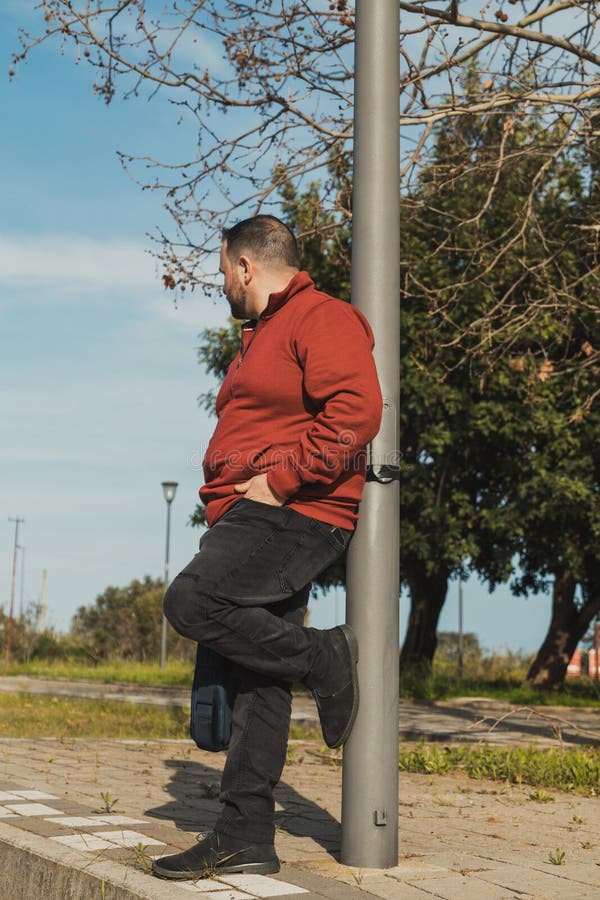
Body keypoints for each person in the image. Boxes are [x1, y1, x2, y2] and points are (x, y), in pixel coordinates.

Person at [152, 215, 382, 881]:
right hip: (251, 515)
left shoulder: (322, 317)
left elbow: (358, 412)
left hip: (295, 512)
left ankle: (324, 656)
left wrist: (280, 482)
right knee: (255, 678)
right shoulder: (259, 339)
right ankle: (246, 835)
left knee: (191, 601)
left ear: (246, 265)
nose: (222, 283)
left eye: (223, 271)